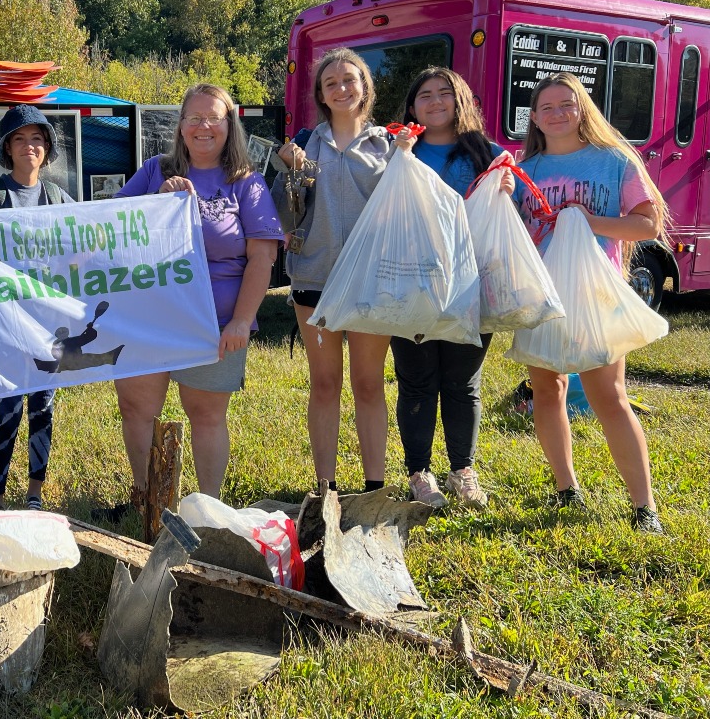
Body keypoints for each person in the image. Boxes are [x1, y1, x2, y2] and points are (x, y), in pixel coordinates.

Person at [109, 82, 282, 511]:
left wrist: (242, 321)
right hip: (147, 318)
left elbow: (263, 258)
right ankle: (146, 497)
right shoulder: (155, 170)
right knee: (136, 409)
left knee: (206, 415)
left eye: (214, 118)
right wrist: (155, 202)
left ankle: (209, 508)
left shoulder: (247, 183)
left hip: (215, 325)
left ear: (229, 126)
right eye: (194, 118)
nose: (204, 126)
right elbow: (109, 226)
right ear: (181, 125)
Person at [513, 71, 668, 533]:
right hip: (543, 294)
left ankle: (645, 508)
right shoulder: (529, 171)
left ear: (583, 108)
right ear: (535, 119)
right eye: (547, 108)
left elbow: (648, 226)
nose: (558, 114)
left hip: (598, 294)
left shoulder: (615, 160)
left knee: (609, 397)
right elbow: (518, 235)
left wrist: (590, 220)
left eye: (567, 104)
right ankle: (566, 489)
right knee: (548, 390)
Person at [271, 48, 413, 494]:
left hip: (373, 284)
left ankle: (375, 486)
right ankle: (325, 486)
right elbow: (283, 217)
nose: (341, 87)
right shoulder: (305, 146)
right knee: (325, 383)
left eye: (349, 79)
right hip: (315, 281)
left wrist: (407, 160)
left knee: (369, 384)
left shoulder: (388, 145)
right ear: (321, 94)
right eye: (330, 82)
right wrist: (287, 171)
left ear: (365, 88)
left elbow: (407, 211)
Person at [390, 67, 513, 509]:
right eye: (425, 95)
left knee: (462, 382)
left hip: (471, 286)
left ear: (461, 101)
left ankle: (462, 469)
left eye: (445, 93)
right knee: (417, 381)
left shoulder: (488, 154)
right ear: (412, 107)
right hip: (411, 287)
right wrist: (398, 155)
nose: (436, 101)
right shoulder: (400, 152)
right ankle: (419, 473)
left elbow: (507, 212)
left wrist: (507, 187)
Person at [0, 105, 75, 511]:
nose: (29, 146)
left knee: (44, 406)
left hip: (48, 323)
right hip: (4, 322)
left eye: (37, 138)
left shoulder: (57, 197)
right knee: (9, 406)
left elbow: (90, 235)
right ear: (7, 148)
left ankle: (35, 494)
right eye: (20, 139)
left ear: (47, 148)